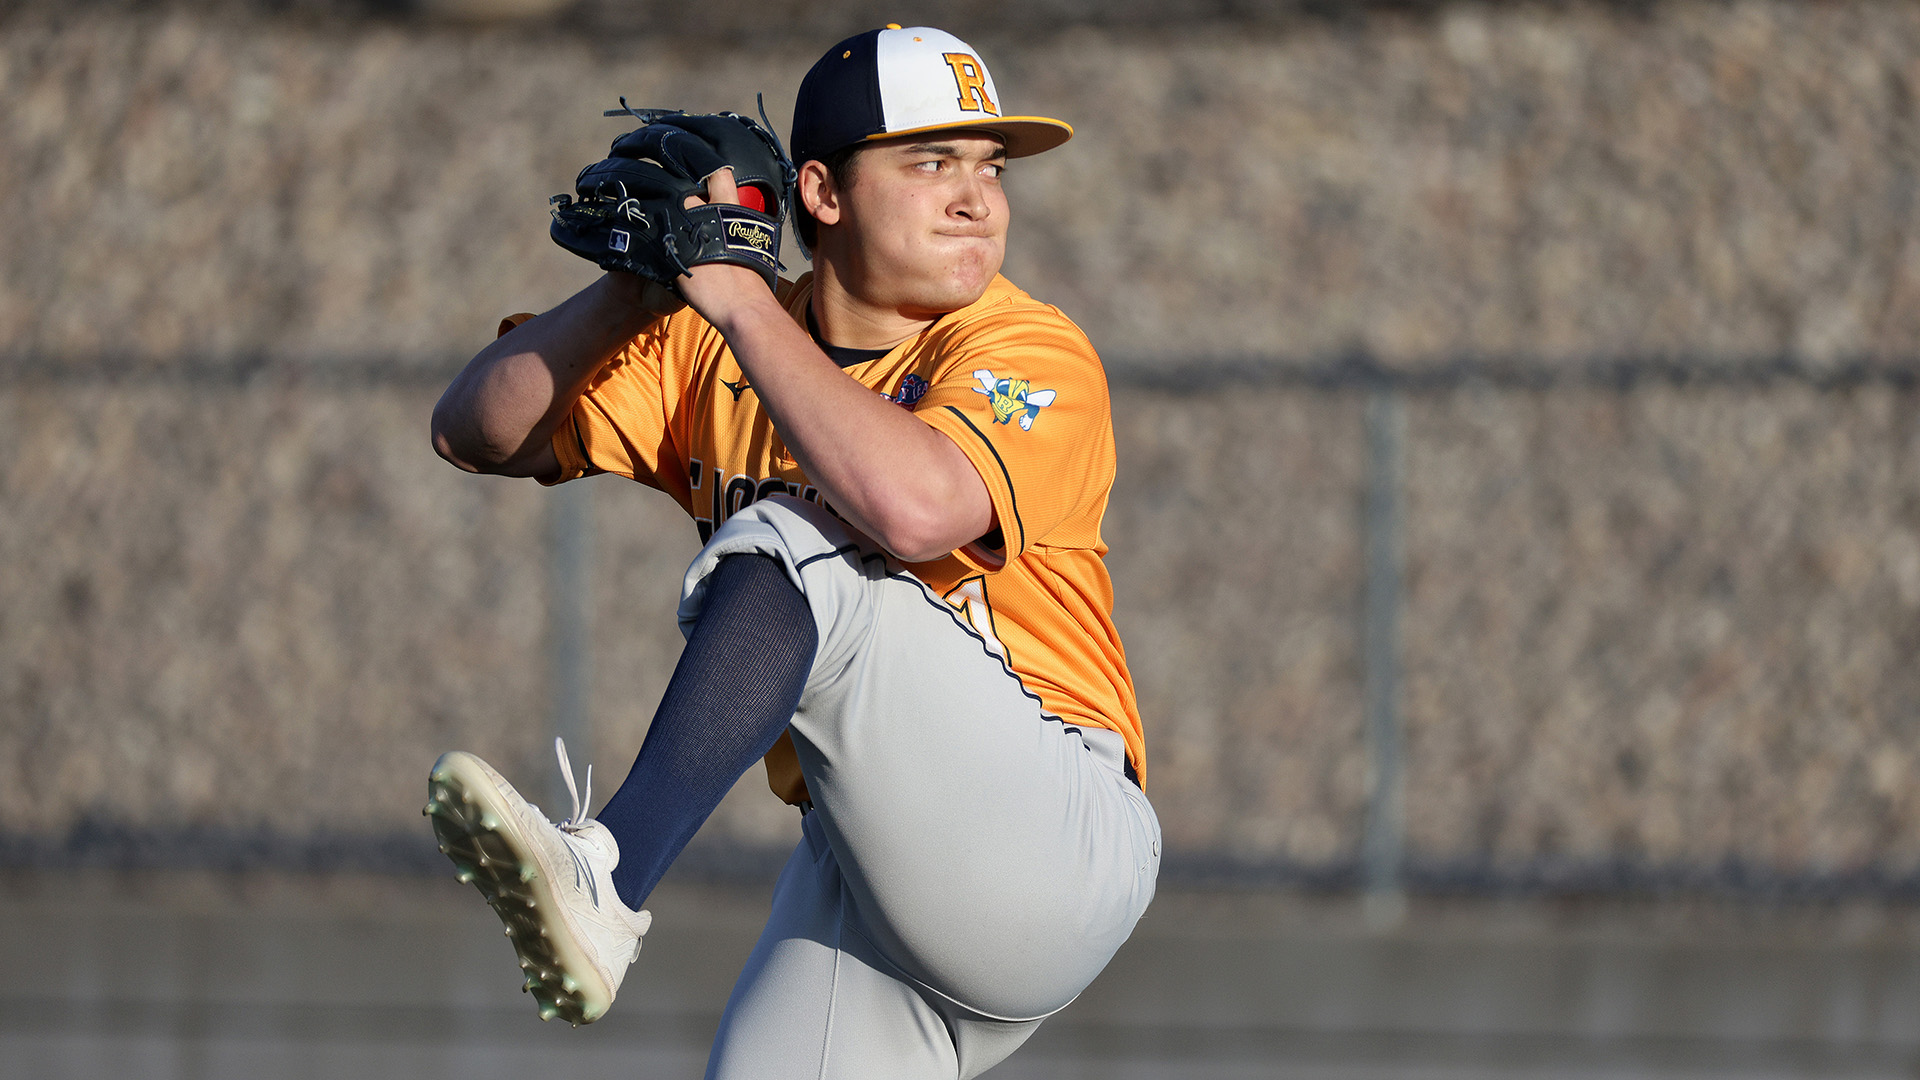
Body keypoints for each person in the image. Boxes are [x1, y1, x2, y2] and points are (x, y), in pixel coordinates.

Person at [423, 24, 1159, 1079]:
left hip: (1052, 835)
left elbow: (911, 510)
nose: (977, 199)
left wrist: (732, 299)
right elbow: (474, 429)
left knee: (800, 534)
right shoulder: (716, 342)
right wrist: (632, 294)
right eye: (930, 162)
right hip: (870, 867)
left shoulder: (1022, 346)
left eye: (988, 168)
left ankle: (611, 876)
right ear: (823, 193)